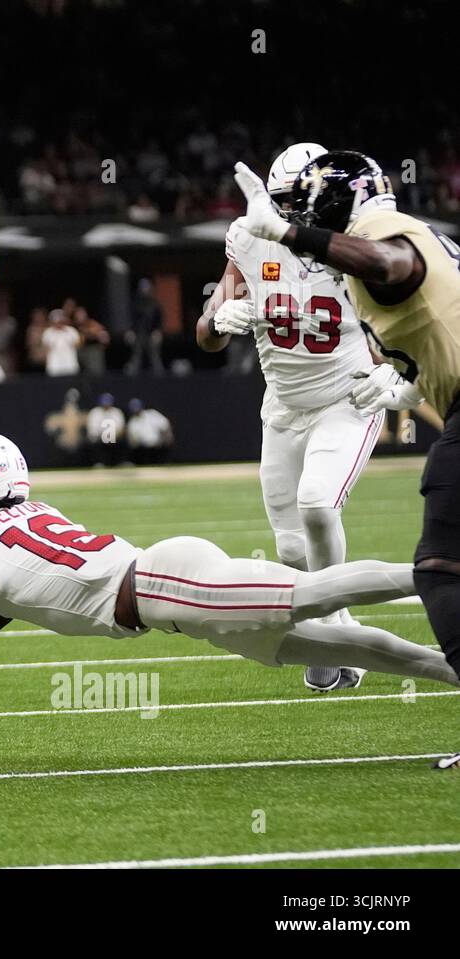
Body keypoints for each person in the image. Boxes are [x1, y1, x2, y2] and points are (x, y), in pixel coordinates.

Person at [0, 433, 458, 713]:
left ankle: (433, 569)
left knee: (310, 598)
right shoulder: (3, 531)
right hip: (173, 596)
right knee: (348, 646)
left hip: (169, 585)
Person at [233, 150, 460, 767]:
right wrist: (406, 386)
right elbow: (431, 336)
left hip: (372, 406)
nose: (299, 221)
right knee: (436, 563)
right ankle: (344, 645)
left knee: (440, 567)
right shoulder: (408, 239)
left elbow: (391, 268)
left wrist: (283, 231)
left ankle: (345, 643)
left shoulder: (381, 240)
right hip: (313, 406)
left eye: (306, 212)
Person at [200, 143, 404, 693]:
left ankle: (338, 630)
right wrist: (220, 318)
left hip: (346, 399)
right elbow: (205, 334)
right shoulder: (247, 238)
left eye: (304, 201)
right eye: (288, 201)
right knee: (290, 549)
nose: (298, 212)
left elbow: (398, 322)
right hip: (283, 408)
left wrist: (395, 373)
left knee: (317, 503)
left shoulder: (357, 246)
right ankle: (337, 631)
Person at [125, 398, 173, 465]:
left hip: (158, 447)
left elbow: (165, 425)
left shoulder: (152, 414)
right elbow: (133, 441)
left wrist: (167, 440)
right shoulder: (132, 422)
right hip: (144, 451)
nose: (136, 411)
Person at [85, 392, 125, 467]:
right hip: (99, 439)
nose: (106, 406)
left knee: (121, 442)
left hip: (114, 438)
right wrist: (104, 435)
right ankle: (99, 463)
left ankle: (119, 463)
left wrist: (111, 435)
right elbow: (93, 430)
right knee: (93, 442)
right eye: (104, 403)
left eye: (108, 403)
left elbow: (121, 428)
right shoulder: (95, 412)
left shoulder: (116, 412)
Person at [41, 309, 81, 377]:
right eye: (56, 321)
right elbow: (46, 349)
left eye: (60, 320)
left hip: (70, 365)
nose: (58, 323)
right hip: (54, 366)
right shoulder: (48, 332)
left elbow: (78, 344)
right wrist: (47, 364)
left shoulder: (71, 331)